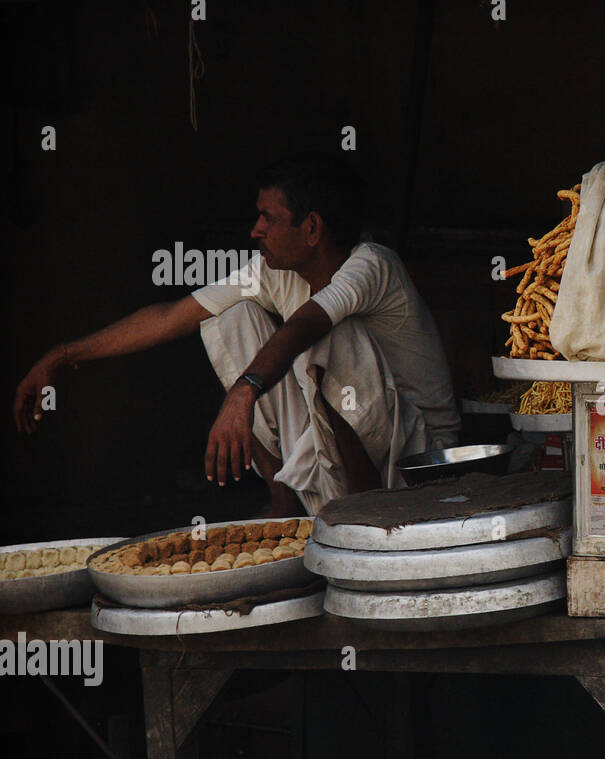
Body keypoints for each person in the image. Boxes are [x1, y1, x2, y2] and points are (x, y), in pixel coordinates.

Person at [13, 153, 460, 515]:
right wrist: (60, 356)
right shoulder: (273, 272)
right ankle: (286, 504)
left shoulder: (373, 264)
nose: (255, 230)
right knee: (230, 318)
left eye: (268, 218)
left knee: (322, 335)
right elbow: (169, 316)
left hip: (418, 469)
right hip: (332, 465)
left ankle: (367, 521)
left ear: (311, 228)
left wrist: (242, 394)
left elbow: (305, 326)